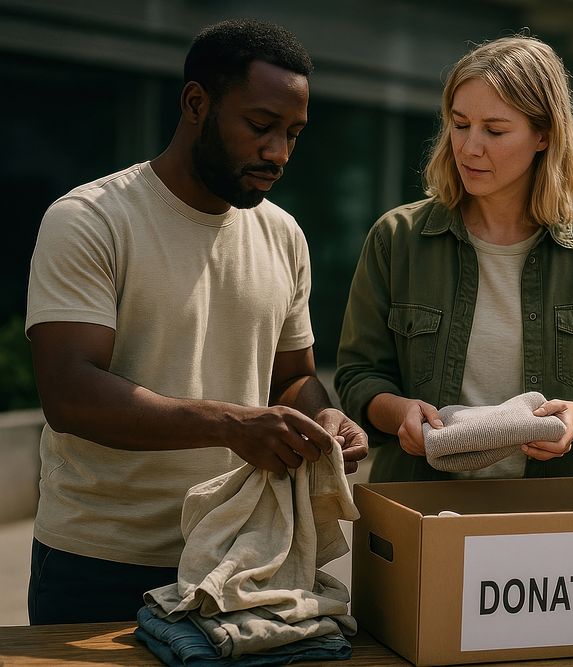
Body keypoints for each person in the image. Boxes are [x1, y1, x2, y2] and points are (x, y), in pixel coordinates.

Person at [24, 19, 368, 624]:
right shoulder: (91, 219)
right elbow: (69, 393)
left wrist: (322, 420)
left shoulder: (283, 234)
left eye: (292, 133)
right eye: (260, 126)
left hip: (239, 556)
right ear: (195, 103)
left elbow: (291, 378)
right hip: (100, 562)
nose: (279, 153)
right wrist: (231, 424)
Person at [335, 35, 573, 482]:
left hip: (551, 508)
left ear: (544, 135)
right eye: (460, 124)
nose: (469, 147)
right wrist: (399, 412)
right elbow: (358, 376)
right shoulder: (396, 238)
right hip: (418, 500)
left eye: (495, 130)